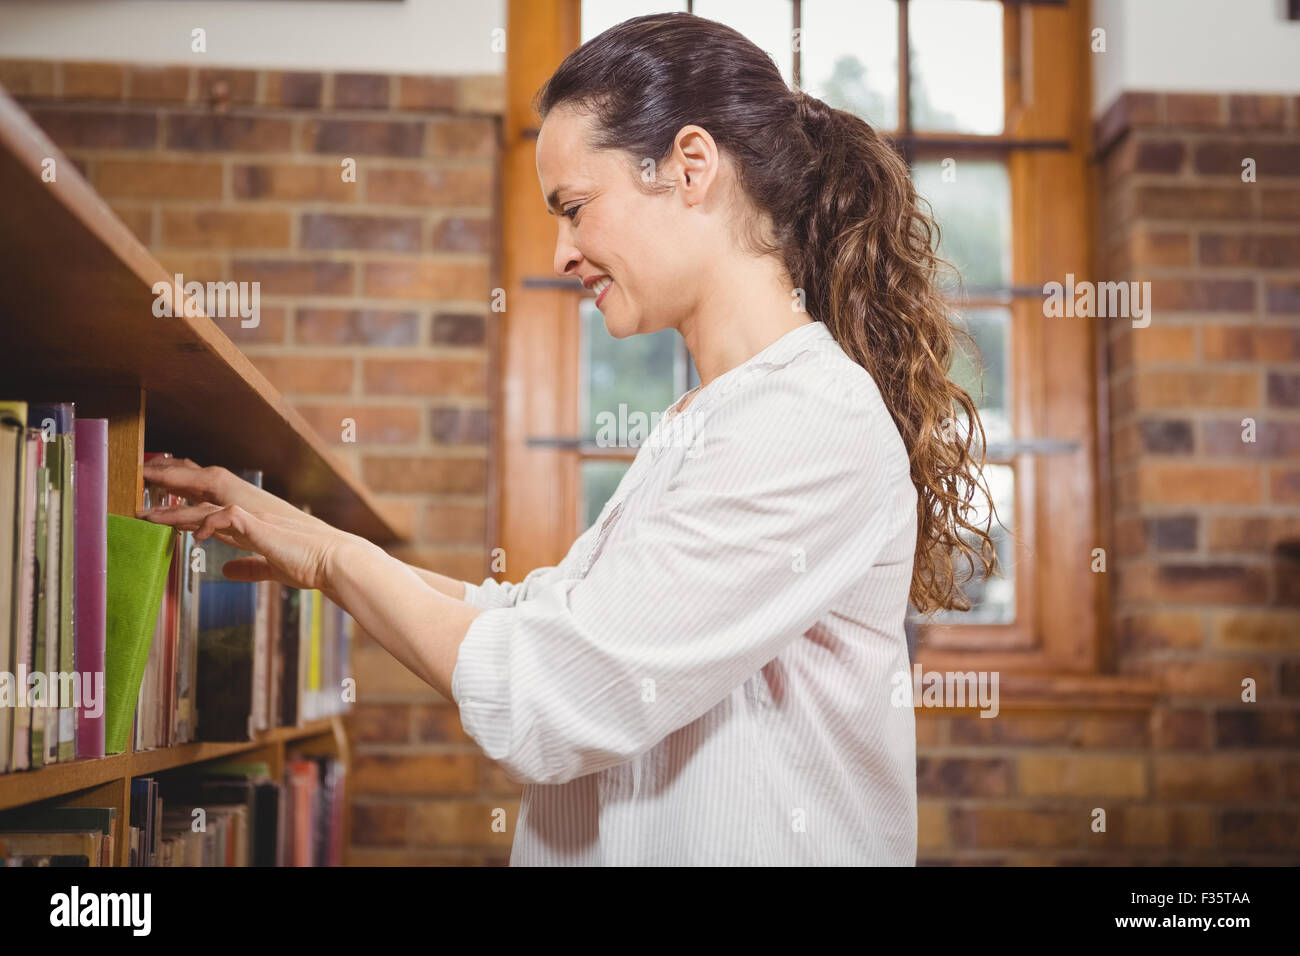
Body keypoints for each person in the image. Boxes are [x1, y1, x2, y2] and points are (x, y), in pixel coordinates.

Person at [138, 12, 997, 866]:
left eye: (577, 208)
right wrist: (319, 544)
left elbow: (551, 697)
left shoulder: (804, 421)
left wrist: (336, 564)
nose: (563, 252)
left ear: (691, 167)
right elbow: (545, 621)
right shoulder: (716, 416)